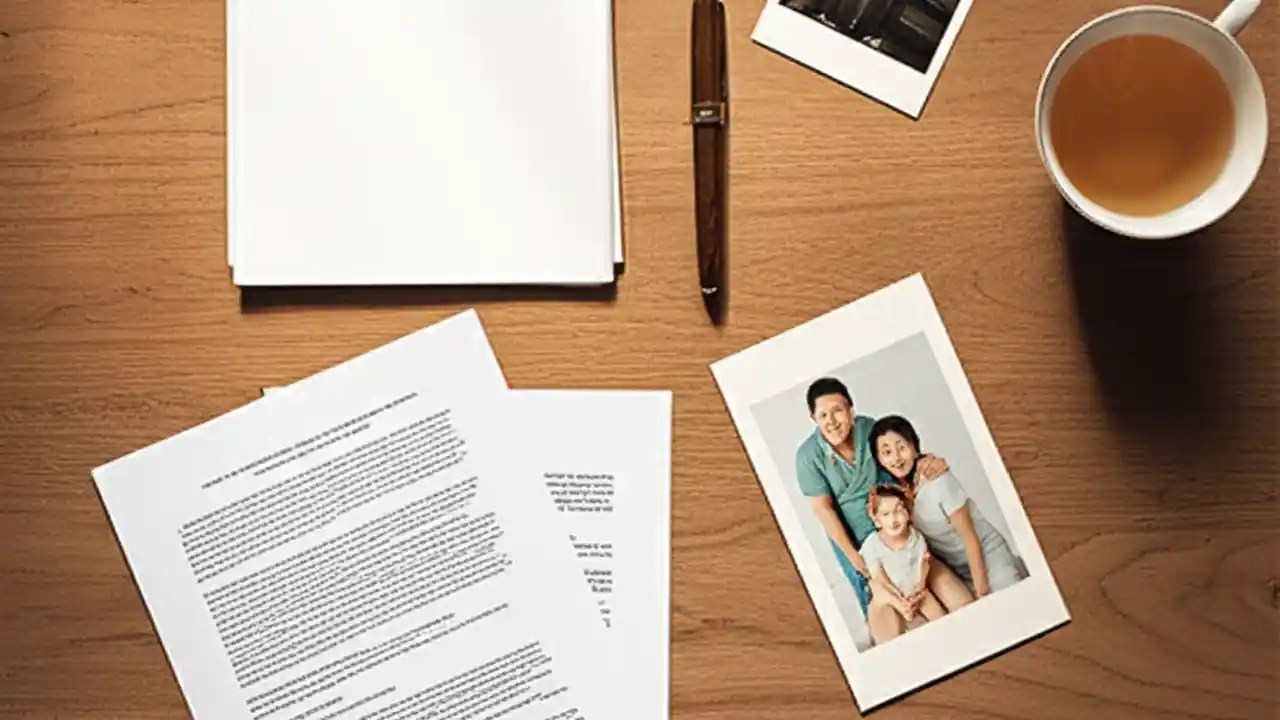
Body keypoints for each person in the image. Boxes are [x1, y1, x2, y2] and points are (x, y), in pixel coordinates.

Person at [794, 378, 951, 617]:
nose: (832, 422)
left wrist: (927, 462)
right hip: (857, 540)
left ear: (851, 409)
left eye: (838, 411)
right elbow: (824, 510)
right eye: (824, 415)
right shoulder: (807, 457)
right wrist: (856, 558)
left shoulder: (869, 428)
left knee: (930, 585)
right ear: (813, 418)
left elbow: (899, 458)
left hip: (895, 521)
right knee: (890, 608)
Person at [869, 415, 1028, 597]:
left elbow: (969, 537)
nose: (896, 458)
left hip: (988, 558)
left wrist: (982, 590)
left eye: (902, 448)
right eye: (887, 452)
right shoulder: (894, 495)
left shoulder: (938, 480)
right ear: (879, 459)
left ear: (914, 447)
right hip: (959, 571)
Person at [859, 484, 947, 635]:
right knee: (876, 586)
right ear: (876, 519)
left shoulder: (916, 538)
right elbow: (878, 576)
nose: (893, 519)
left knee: (941, 618)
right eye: (885, 514)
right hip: (891, 591)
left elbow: (923, 565)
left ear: (908, 512)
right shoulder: (872, 543)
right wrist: (900, 599)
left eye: (898, 511)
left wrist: (919, 589)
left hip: (915, 590)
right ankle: (902, 608)